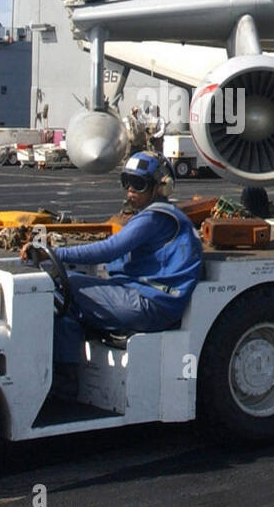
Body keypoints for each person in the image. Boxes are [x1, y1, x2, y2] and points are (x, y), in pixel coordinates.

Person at [20, 152, 202, 399]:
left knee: (64, 287)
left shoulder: (154, 218)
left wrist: (52, 254)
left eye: (138, 184)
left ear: (161, 188)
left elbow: (109, 250)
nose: (129, 191)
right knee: (69, 303)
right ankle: (67, 377)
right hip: (153, 299)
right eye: (126, 182)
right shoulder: (166, 216)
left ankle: (63, 381)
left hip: (149, 303)